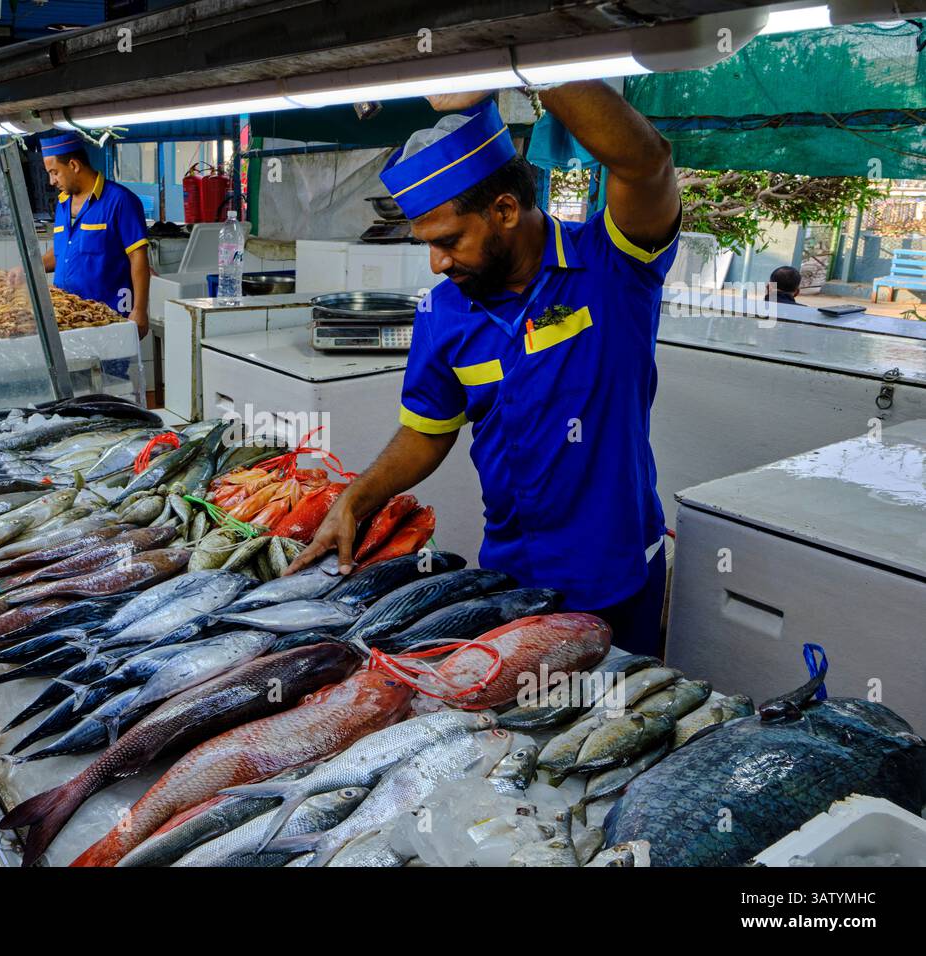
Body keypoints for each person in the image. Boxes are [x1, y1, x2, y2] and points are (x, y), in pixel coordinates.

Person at [287, 82, 682, 658]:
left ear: (503, 210)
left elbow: (648, 163)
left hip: (617, 573)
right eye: (425, 243)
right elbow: (428, 428)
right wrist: (356, 499)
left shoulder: (613, 264)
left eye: (447, 240)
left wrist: (525, 61)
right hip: (507, 581)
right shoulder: (443, 310)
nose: (436, 261)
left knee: (620, 726)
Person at [32, 132, 150, 338]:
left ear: (74, 165)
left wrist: (139, 310)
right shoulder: (62, 204)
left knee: (110, 370)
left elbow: (138, 257)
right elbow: (64, 251)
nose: (51, 181)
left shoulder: (120, 201)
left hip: (108, 318)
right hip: (68, 318)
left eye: (54, 172)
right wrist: (28, 270)